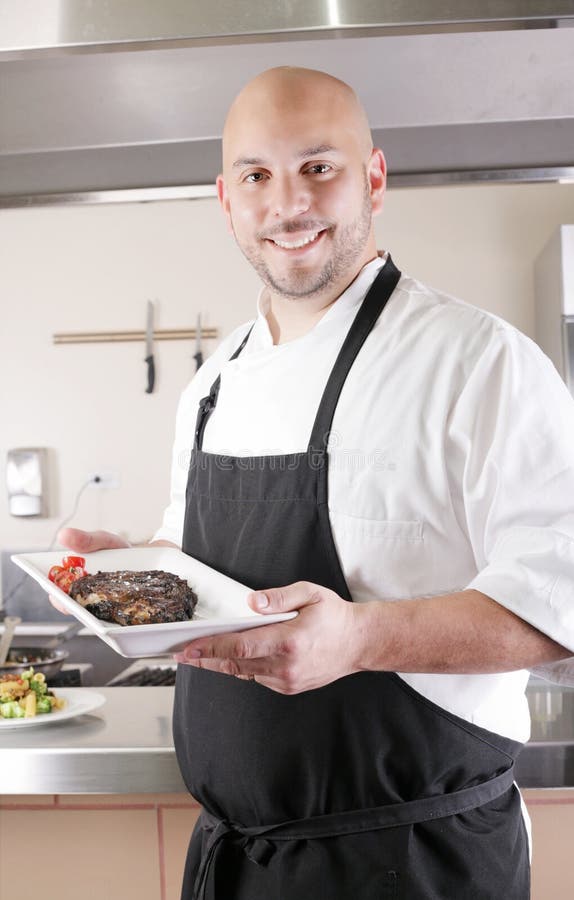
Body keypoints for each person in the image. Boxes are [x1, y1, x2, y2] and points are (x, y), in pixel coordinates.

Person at [58, 67, 574, 899]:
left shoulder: (478, 362)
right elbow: (199, 563)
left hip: (418, 866)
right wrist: (129, 573)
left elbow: (562, 605)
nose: (287, 203)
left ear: (374, 176)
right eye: (256, 175)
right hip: (240, 864)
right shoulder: (214, 381)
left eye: (319, 167)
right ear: (225, 199)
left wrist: (361, 638)